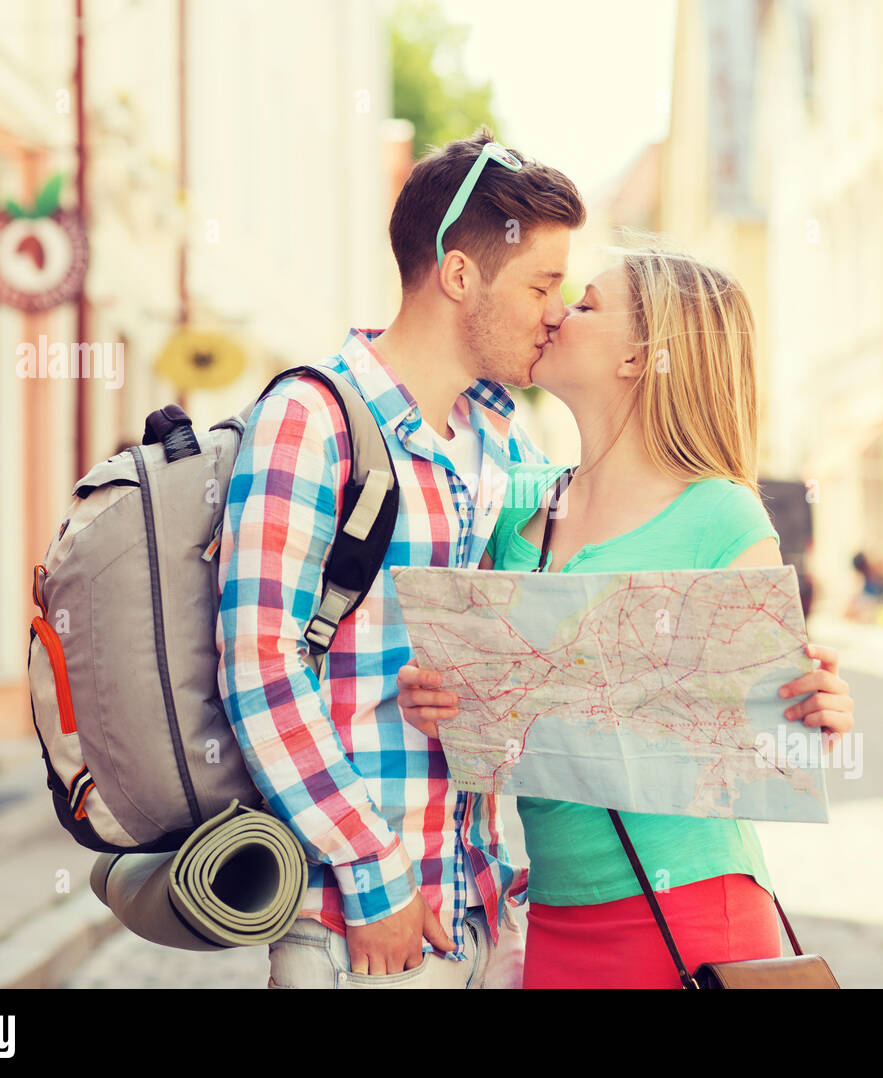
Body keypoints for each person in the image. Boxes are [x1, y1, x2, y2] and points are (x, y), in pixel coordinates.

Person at [397, 245, 856, 988]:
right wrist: (440, 701)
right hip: (550, 913)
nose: (555, 311)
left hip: (692, 913)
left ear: (642, 358)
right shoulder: (518, 503)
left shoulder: (719, 513)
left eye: (585, 305)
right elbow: (491, 708)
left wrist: (818, 710)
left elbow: (776, 730)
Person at [216, 127, 585, 988]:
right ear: (460, 275)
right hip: (364, 928)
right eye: (541, 284)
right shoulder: (314, 420)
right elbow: (259, 666)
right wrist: (375, 877)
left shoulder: (501, 439)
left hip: (482, 910)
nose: (557, 311)